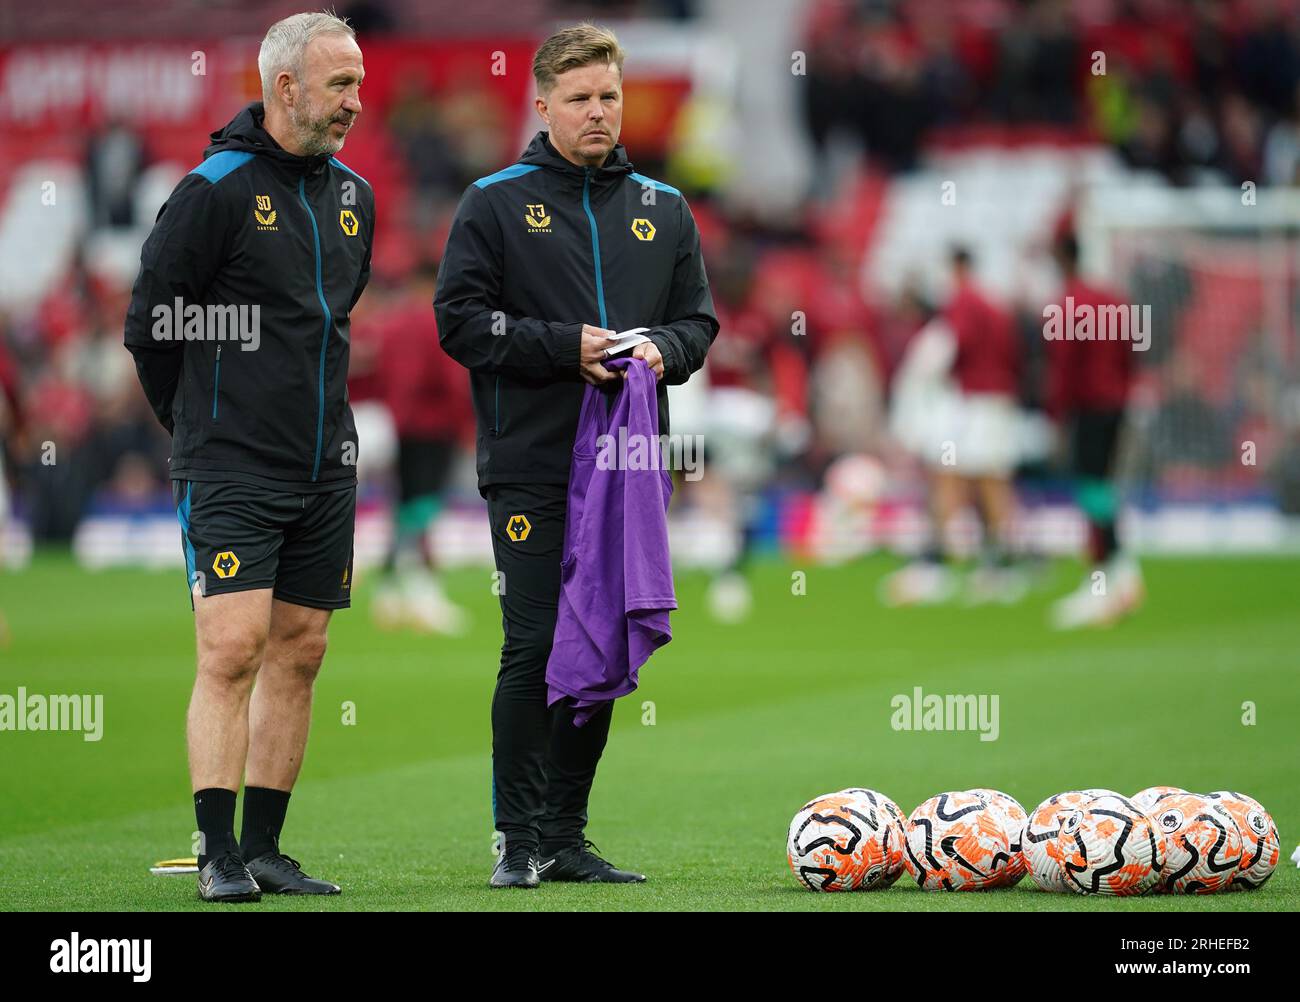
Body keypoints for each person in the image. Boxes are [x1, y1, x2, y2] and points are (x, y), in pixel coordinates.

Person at [434, 22, 717, 888]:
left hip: (628, 464)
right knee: (535, 642)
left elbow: (699, 322)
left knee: (599, 643)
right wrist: (566, 346)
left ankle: (563, 835)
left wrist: (666, 350)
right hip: (532, 461)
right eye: (582, 98)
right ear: (544, 102)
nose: (599, 113)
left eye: (610, 97)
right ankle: (515, 838)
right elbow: (459, 322)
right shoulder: (493, 201)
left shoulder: (664, 209)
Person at [123, 11, 372, 902]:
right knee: (231, 649)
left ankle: (265, 848)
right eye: (339, 83)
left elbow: (330, 327)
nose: (355, 100)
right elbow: (151, 323)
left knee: (301, 652)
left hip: (326, 467)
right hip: (232, 466)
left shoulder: (355, 196)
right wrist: (198, 428)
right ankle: (215, 852)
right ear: (285, 88)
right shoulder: (214, 189)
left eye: (359, 83)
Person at [1046, 234, 1143, 628]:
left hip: (1088, 408)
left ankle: (1101, 584)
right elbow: (1131, 350)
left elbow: (1064, 366)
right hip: (1117, 404)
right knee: (1101, 489)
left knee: (1091, 491)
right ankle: (1121, 573)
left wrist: (1056, 414)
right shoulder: (1112, 299)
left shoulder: (1068, 303)